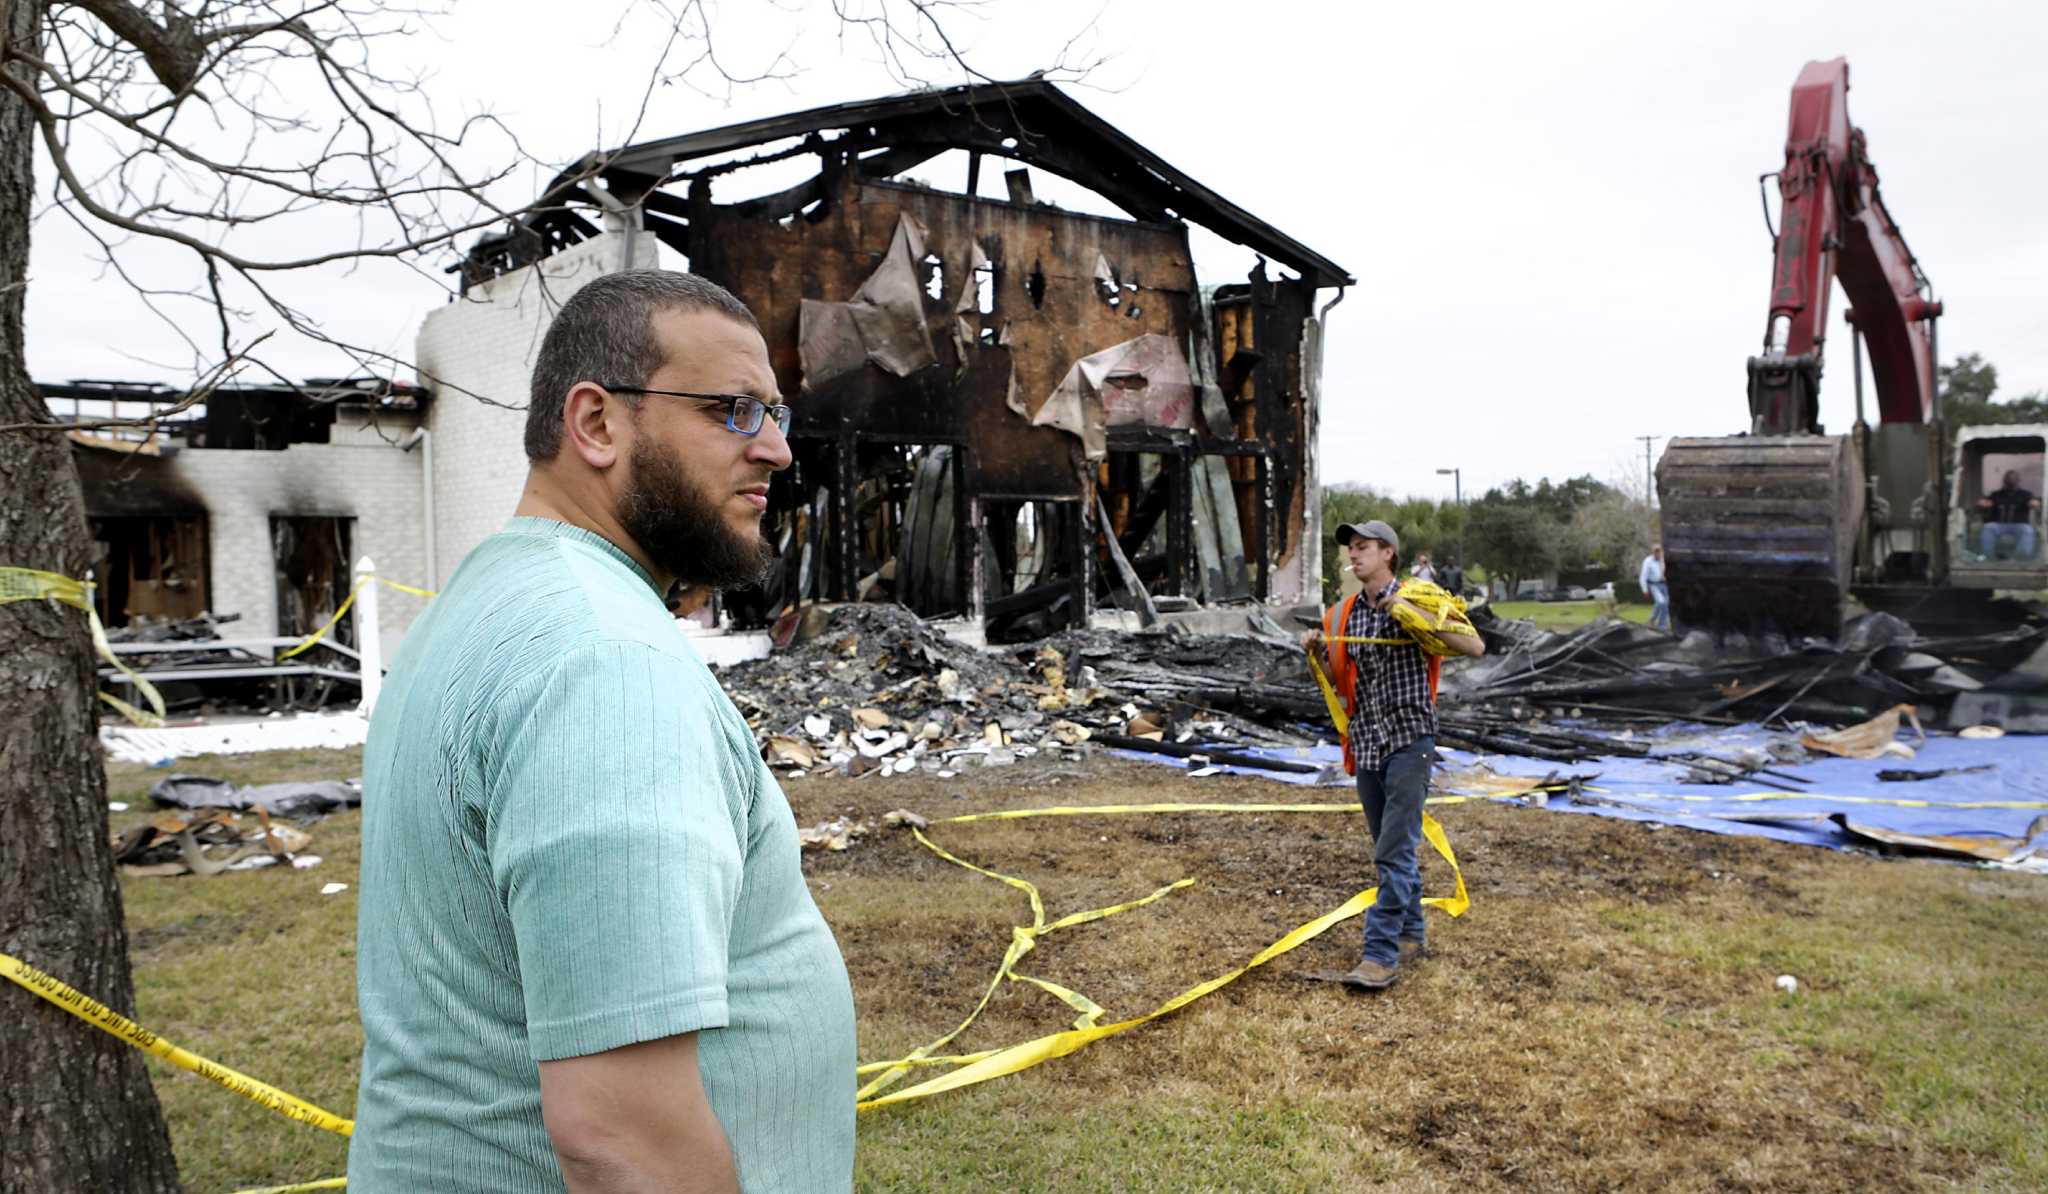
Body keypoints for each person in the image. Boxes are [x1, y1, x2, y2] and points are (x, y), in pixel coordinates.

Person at [349, 271, 856, 1194]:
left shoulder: (489, 606)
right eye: (735, 410)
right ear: (596, 424)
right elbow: (623, 1138)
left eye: (775, 413)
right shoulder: (603, 663)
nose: (779, 449)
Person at [1303, 520, 1485, 991]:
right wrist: (1318, 656)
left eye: (1363, 548)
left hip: (1409, 740)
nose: (1353, 555)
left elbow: (1473, 645)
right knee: (1392, 844)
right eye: (1351, 549)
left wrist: (1407, 611)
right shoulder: (1342, 614)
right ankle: (1411, 932)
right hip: (1365, 741)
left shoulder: (1422, 597)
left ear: (1388, 554)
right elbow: (1341, 679)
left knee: (1393, 849)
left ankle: (1380, 954)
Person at [1976, 469, 2040, 560]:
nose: (2011, 481)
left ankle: (2020, 558)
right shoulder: (1996, 494)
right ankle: (1988, 556)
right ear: (2004, 481)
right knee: (1988, 527)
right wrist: (1982, 504)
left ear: (2018, 480)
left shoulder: (2026, 494)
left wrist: (2034, 503)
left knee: (2027, 530)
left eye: (2013, 479)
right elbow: (1986, 502)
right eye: (2008, 479)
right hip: (1999, 524)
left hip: (2019, 525)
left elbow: (2034, 503)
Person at [1639, 545, 1670, 630]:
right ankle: (1651, 620)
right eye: (1656, 551)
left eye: (1659, 551)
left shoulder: (1663, 560)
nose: (1657, 553)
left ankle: (1662, 625)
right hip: (1654, 584)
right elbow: (1643, 576)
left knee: (1666, 605)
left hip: (1664, 585)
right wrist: (1644, 590)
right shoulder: (1648, 561)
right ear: (1653, 552)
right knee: (1660, 602)